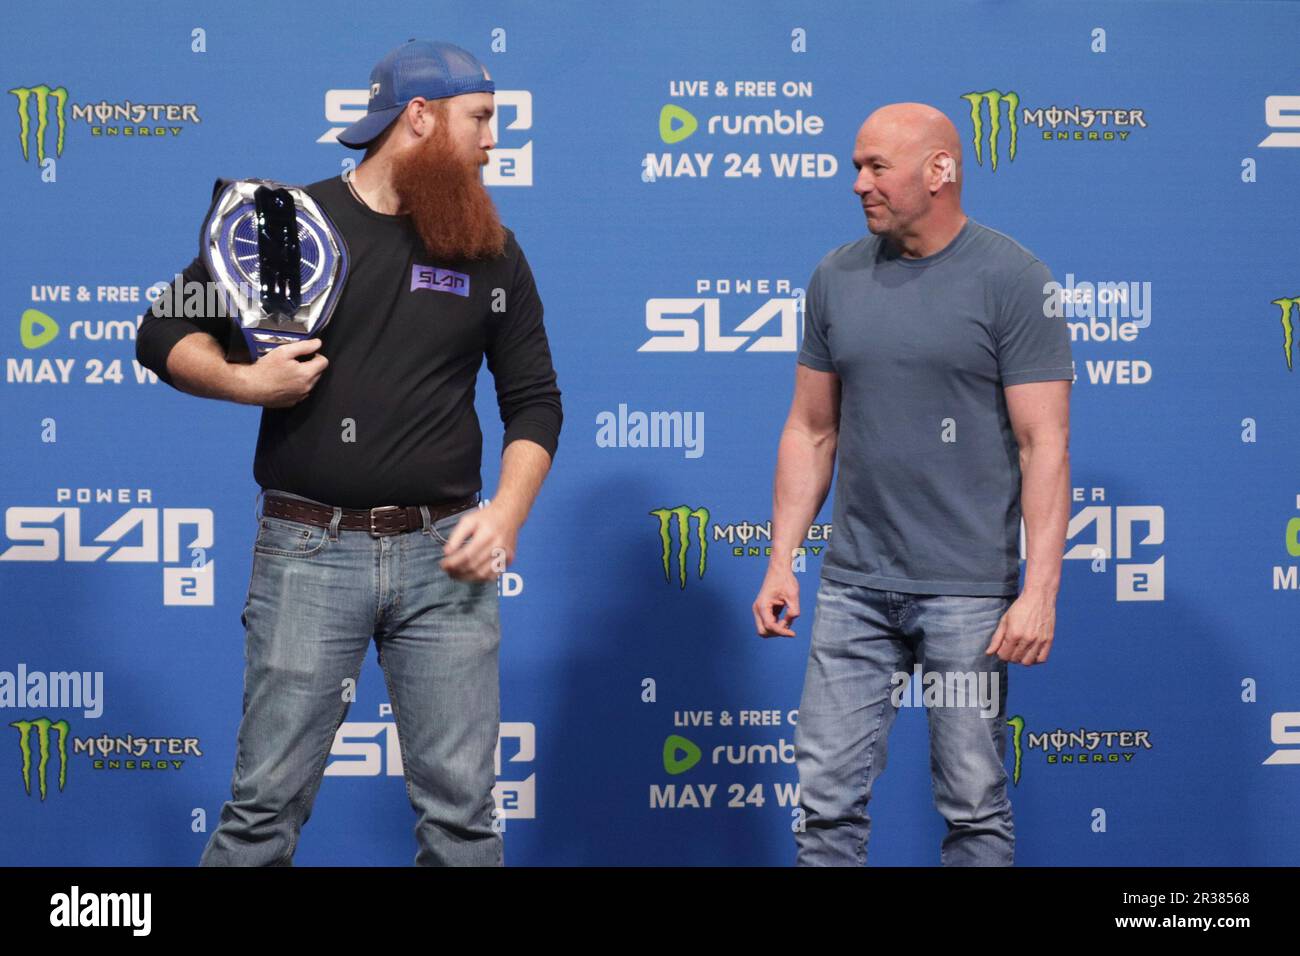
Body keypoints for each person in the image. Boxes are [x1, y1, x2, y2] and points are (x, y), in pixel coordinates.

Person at [135, 39, 562, 866]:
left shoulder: (489, 249)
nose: (493, 142)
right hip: (308, 552)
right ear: (419, 118)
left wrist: (505, 514)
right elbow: (159, 332)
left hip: (447, 561)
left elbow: (535, 402)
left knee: (464, 820)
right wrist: (245, 384)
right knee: (263, 811)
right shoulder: (285, 229)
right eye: (480, 120)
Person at [752, 102, 1072, 866]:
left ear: (940, 171)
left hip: (968, 595)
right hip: (853, 591)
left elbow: (1045, 441)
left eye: (875, 167)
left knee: (973, 807)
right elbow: (811, 428)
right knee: (824, 804)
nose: (857, 182)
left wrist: (1040, 591)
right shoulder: (835, 277)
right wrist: (780, 560)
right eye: (855, 165)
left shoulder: (1013, 279)